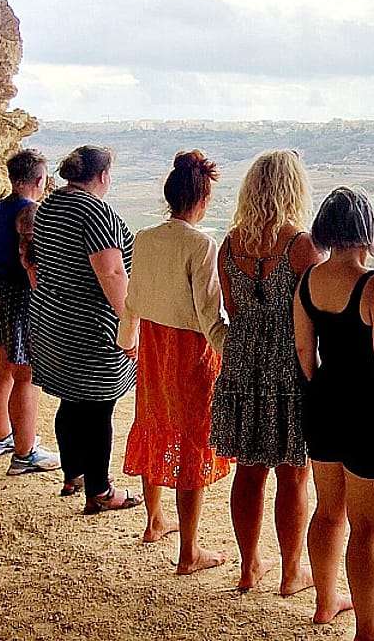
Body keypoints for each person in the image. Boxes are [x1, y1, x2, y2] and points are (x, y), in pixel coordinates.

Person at [293, 187, 374, 641]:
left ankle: (325, 602)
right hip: (370, 414)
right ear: (368, 231)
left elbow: (305, 351)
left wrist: (321, 392)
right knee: (367, 529)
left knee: (327, 512)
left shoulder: (308, 280)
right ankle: (367, 627)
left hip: (323, 405)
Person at [209, 149, 323, 593]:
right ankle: (292, 572)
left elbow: (234, 309)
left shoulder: (230, 244)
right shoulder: (302, 246)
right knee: (294, 474)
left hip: (241, 364)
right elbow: (314, 313)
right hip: (286, 368)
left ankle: (248, 565)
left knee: (250, 469)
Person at [118, 150, 234, 574]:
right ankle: (189, 550)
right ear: (202, 200)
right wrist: (230, 350)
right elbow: (208, 312)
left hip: (152, 342)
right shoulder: (201, 244)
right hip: (190, 349)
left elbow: (132, 297)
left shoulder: (145, 238)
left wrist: (127, 337)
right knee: (190, 440)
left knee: (155, 422)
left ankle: (154, 521)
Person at [30, 145, 141, 514]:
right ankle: (100, 491)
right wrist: (130, 323)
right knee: (98, 406)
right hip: (88, 326)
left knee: (71, 400)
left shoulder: (50, 204)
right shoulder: (95, 211)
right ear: (103, 175)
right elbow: (110, 272)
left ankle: (73, 474)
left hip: (52, 319)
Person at [0, 148, 60, 474]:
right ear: (39, 180)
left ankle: (0, 438)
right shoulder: (30, 213)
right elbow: (34, 262)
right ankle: (25, 454)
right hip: (17, 295)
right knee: (26, 376)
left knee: (0, 370)